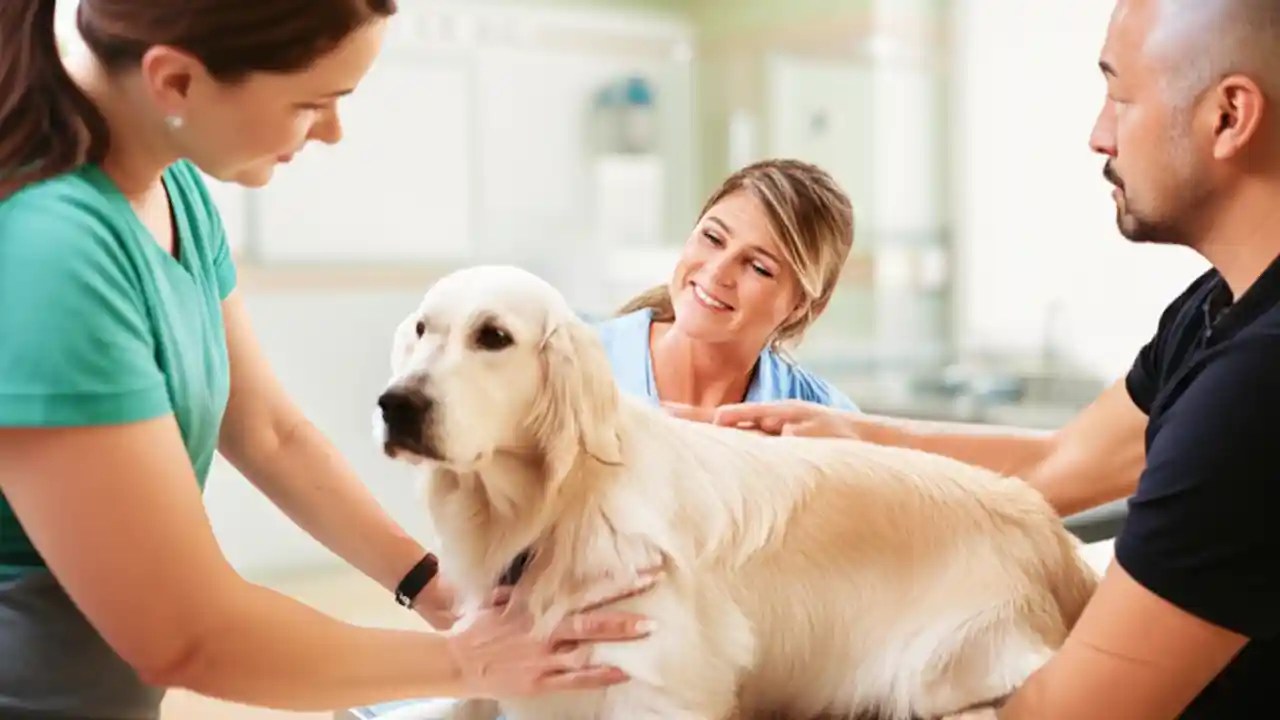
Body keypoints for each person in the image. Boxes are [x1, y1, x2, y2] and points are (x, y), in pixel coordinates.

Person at [0, 2, 653, 718]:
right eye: (314, 103)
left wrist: (434, 588)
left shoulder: (172, 189)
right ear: (176, 82)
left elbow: (269, 433)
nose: (334, 132)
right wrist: (468, 661)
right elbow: (188, 633)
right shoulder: (47, 250)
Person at [678, 0, 1280, 717]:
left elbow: (1063, 716)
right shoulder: (1217, 309)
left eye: (1121, 96)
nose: (1099, 134)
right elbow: (1059, 466)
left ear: (1230, 117)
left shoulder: (1256, 390)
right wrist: (855, 448)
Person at [599, 158, 860, 413]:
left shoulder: (825, 421)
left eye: (759, 267)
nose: (716, 272)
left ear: (800, 306)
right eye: (712, 238)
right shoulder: (570, 365)